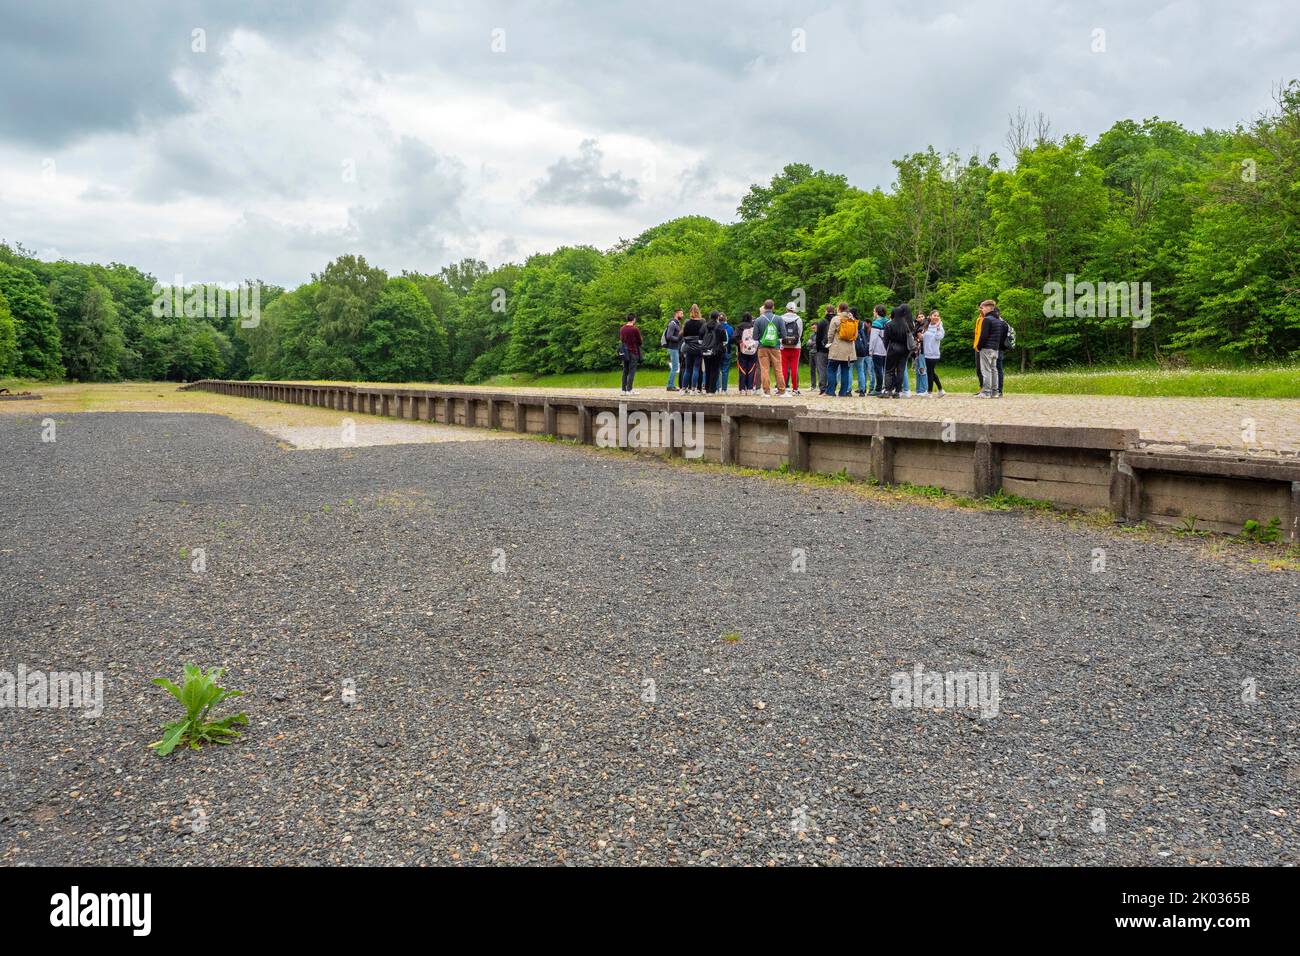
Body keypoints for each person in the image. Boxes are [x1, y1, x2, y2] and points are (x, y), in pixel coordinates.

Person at [975, 300, 1009, 398]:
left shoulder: (987, 319)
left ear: (989, 307)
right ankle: (995, 392)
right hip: (995, 349)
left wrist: (979, 346)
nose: (982, 309)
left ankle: (986, 392)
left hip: (986, 348)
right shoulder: (998, 320)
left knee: (986, 370)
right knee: (994, 370)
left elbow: (984, 336)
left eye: (983, 307)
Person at [752, 300, 785, 396]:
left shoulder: (758, 320)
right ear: (773, 307)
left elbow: (755, 337)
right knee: (778, 369)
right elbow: (784, 334)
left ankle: (766, 391)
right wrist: (775, 336)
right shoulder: (779, 319)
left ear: (764, 307)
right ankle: (781, 390)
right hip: (775, 347)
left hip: (762, 348)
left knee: (764, 369)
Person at [881, 304, 915, 398]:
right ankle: (898, 391)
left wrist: (888, 348)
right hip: (904, 349)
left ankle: (888, 391)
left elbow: (885, 340)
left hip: (892, 348)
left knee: (889, 370)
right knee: (900, 370)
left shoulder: (889, 324)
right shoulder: (906, 325)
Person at [824, 302, 857, 397]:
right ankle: (843, 392)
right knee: (845, 371)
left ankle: (830, 391)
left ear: (839, 309)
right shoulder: (852, 319)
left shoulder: (836, 319)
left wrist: (829, 343)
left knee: (831, 369)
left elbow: (830, 334)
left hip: (836, 349)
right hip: (849, 351)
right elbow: (855, 334)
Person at [778, 301, 804, 396]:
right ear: (794, 309)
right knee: (794, 368)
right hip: (795, 346)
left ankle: (782, 388)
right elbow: (800, 333)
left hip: (783, 346)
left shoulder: (781, 318)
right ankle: (795, 389)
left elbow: (779, 332)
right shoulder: (799, 319)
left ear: (786, 308)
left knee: (783, 368)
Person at [680, 304, 705, 395]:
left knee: (687, 369)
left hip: (689, 348)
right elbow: (703, 336)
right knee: (696, 368)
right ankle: (693, 389)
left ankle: (683, 389)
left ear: (690, 312)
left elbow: (684, 335)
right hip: (698, 348)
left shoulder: (687, 323)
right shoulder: (702, 323)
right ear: (698, 312)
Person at [701, 310, 726, 393]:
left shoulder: (704, 326)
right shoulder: (720, 327)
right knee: (715, 370)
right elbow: (724, 340)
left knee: (707, 369)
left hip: (705, 351)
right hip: (716, 351)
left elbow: (700, 339)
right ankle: (712, 389)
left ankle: (707, 388)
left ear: (710, 316)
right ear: (718, 317)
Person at [922, 310, 945, 396]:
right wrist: (921, 337)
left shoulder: (939, 327)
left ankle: (929, 392)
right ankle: (940, 390)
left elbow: (939, 337)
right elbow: (926, 337)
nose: (936, 317)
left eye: (937, 316)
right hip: (927, 352)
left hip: (934, 353)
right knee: (931, 372)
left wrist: (938, 327)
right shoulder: (927, 325)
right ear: (930, 316)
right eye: (934, 315)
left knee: (930, 372)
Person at [735, 312, 759, 394]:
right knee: (751, 369)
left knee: (742, 369)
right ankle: (750, 389)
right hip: (753, 351)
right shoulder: (754, 326)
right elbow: (757, 338)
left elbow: (734, 338)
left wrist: (740, 343)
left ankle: (742, 389)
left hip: (742, 351)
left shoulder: (739, 327)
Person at [618, 313, 642, 394]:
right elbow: (640, 341)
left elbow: (621, 339)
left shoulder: (622, 329)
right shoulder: (635, 329)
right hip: (633, 352)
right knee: (632, 371)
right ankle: (629, 390)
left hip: (625, 352)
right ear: (634, 319)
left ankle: (623, 390)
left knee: (625, 370)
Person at [850, 306, 870, 396]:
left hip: (852, 348)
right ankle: (862, 390)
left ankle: (848, 389)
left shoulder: (849, 322)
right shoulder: (862, 323)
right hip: (861, 349)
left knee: (849, 369)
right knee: (860, 370)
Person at [663, 308, 684, 391]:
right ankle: (670, 385)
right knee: (675, 367)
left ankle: (671, 385)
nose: (682, 315)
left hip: (676, 348)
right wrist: (678, 338)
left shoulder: (677, 323)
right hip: (673, 348)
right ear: (676, 314)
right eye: (681, 314)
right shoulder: (672, 324)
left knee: (675, 367)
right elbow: (669, 336)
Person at [812, 306, 832, 394]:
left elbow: (818, 336)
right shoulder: (836, 320)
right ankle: (831, 388)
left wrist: (818, 347)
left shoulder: (822, 322)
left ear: (826, 312)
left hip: (822, 349)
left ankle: (823, 389)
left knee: (822, 369)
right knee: (831, 369)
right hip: (833, 348)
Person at [868, 305, 887, 395]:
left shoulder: (876, 323)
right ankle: (886, 387)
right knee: (886, 370)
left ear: (877, 312)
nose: (873, 313)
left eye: (874, 311)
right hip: (887, 349)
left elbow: (873, 339)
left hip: (877, 350)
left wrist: (870, 351)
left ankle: (878, 389)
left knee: (878, 370)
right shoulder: (888, 321)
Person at [717, 312, 734, 392]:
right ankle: (724, 389)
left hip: (716, 351)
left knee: (716, 370)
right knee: (725, 371)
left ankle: (716, 388)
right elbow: (732, 340)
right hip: (727, 350)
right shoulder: (730, 328)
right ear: (726, 319)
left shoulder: (715, 327)